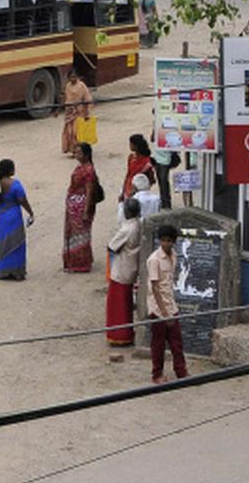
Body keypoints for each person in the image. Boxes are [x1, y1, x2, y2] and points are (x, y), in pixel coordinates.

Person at [147, 224, 188, 383]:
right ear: (159, 241)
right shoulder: (154, 260)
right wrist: (164, 314)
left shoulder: (174, 256)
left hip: (170, 304)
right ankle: (157, 374)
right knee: (158, 344)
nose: (166, 244)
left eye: (169, 241)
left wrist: (170, 310)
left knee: (177, 342)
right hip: (158, 309)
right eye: (163, 240)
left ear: (173, 242)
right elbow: (155, 288)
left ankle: (181, 372)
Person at [0, 159, 34, 281]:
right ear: (11, 170)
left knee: (1, 243)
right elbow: (22, 200)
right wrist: (31, 212)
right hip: (13, 217)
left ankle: (2, 271)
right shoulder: (15, 184)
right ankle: (17, 272)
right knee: (16, 243)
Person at [106, 199, 142, 347]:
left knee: (118, 305)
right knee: (126, 303)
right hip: (133, 266)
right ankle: (126, 333)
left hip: (122, 269)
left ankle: (119, 335)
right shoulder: (139, 224)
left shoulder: (126, 229)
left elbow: (112, 247)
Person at [63, 142, 98, 273]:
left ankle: (81, 263)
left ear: (86, 155)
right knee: (73, 234)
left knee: (81, 234)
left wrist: (85, 210)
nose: (76, 155)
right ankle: (74, 261)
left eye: (79, 152)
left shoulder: (88, 170)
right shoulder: (80, 167)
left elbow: (89, 191)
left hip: (81, 206)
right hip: (73, 205)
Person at [58, 71, 92, 156]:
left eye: (74, 77)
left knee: (76, 132)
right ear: (68, 78)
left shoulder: (81, 86)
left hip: (79, 112)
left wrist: (87, 113)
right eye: (71, 77)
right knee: (69, 132)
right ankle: (73, 150)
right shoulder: (67, 86)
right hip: (69, 112)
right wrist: (58, 110)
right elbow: (65, 99)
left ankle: (79, 150)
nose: (73, 79)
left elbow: (87, 98)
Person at [121, 134, 156, 202]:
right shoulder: (131, 157)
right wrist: (123, 191)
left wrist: (135, 191)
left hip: (140, 193)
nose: (129, 145)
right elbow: (128, 175)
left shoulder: (147, 162)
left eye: (131, 144)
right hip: (128, 189)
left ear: (136, 146)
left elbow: (150, 179)